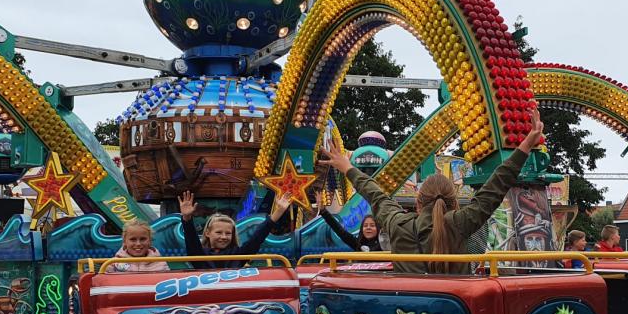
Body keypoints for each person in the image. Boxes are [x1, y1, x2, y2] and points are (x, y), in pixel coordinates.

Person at [318, 109, 545, 274]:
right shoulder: (460, 222)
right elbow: (496, 186)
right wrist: (525, 145)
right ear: (453, 202)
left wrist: (347, 167)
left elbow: (374, 193)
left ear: (418, 202)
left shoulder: (398, 222)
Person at [180, 190, 294, 269]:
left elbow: (257, 237)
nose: (224, 237)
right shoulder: (199, 255)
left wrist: (278, 211)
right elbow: (191, 240)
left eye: (228, 233)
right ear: (207, 233)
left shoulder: (239, 254)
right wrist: (187, 218)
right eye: (219, 232)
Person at [320, 208, 386, 252]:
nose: (368, 228)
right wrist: (324, 211)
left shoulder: (385, 244)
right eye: (365, 226)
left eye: (372, 225)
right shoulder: (357, 244)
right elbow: (340, 231)